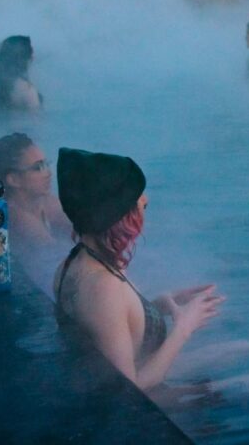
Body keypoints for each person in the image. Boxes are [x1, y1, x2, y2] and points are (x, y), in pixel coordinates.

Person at [53, 148, 224, 390]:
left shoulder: (75, 262)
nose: (145, 200)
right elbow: (128, 389)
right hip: (138, 400)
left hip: (114, 377)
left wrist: (157, 306)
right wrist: (184, 328)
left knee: (242, 348)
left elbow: (108, 325)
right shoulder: (103, 287)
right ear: (116, 215)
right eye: (137, 199)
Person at [0, 132, 70, 288]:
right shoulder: (14, 216)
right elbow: (54, 253)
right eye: (38, 167)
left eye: (46, 164)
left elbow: (79, 229)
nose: (48, 173)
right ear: (13, 180)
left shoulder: (44, 202)